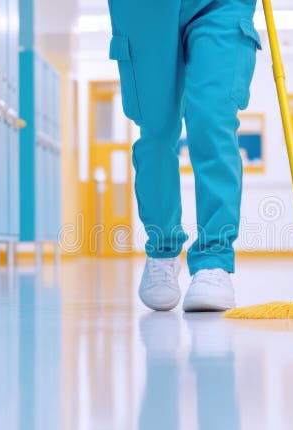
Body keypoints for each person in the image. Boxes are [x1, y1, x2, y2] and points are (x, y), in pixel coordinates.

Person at [108, 0, 261, 311]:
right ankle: (162, 251)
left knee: (213, 120)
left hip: (221, 5)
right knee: (157, 131)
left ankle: (213, 261)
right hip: (144, 9)